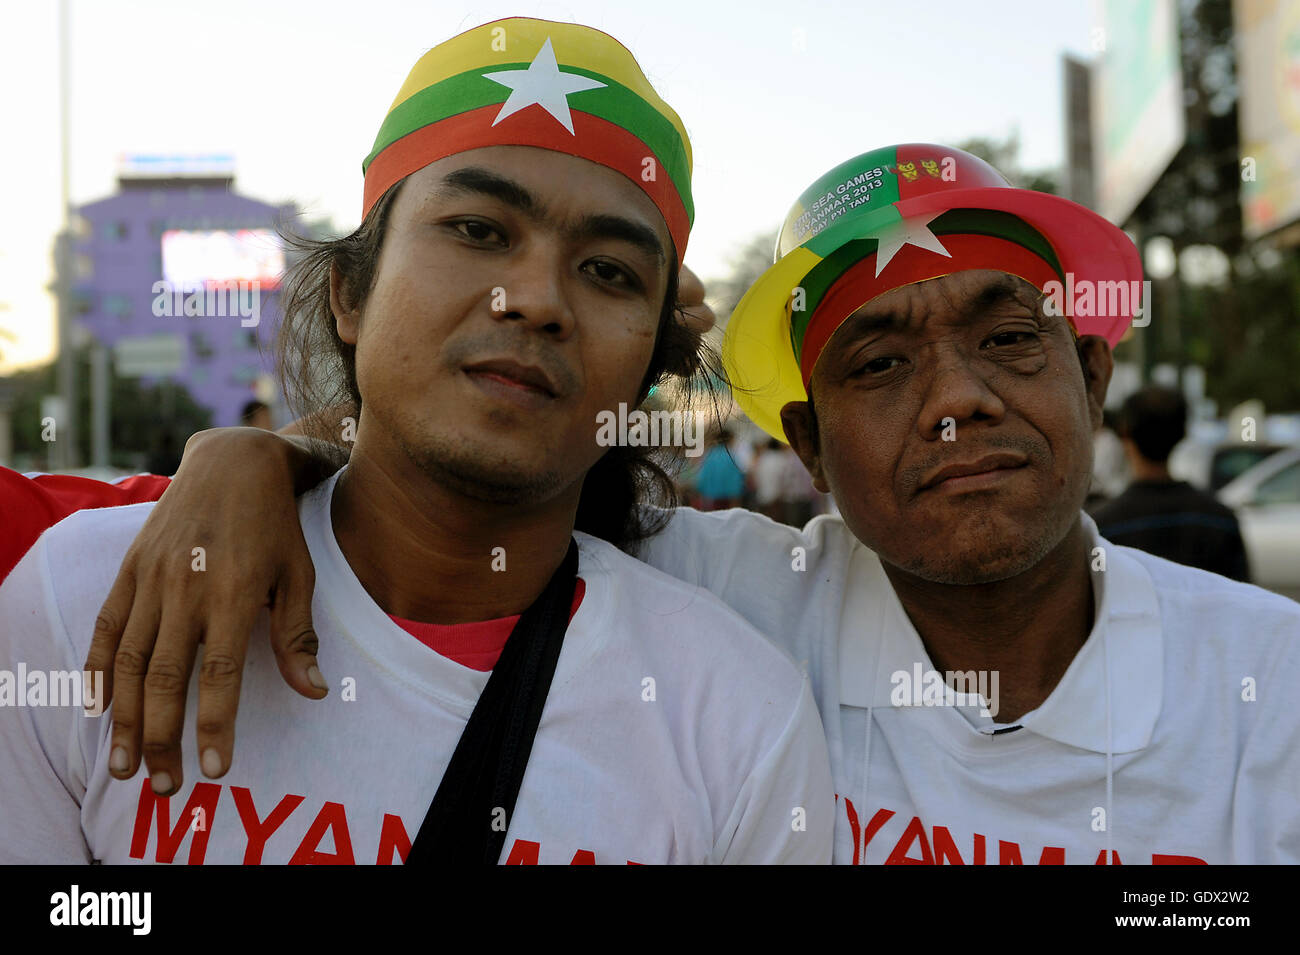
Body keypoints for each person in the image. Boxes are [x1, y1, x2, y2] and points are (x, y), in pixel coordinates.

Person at [16, 143, 1300, 864]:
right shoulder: (725, 592)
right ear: (806, 442)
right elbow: (466, 447)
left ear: (1089, 369)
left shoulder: (1268, 693)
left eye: (1008, 340)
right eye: (880, 364)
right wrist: (240, 460)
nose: (954, 401)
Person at [0, 17, 833, 865]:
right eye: (478, 230)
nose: (536, 299)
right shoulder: (87, 608)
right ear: (350, 293)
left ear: (649, 366)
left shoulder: (739, 728)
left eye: (610, 271)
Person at [1091, 385, 1250, 581]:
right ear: (1183, 433)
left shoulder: (1103, 529)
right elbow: (1244, 596)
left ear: (1125, 433)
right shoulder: (1220, 519)